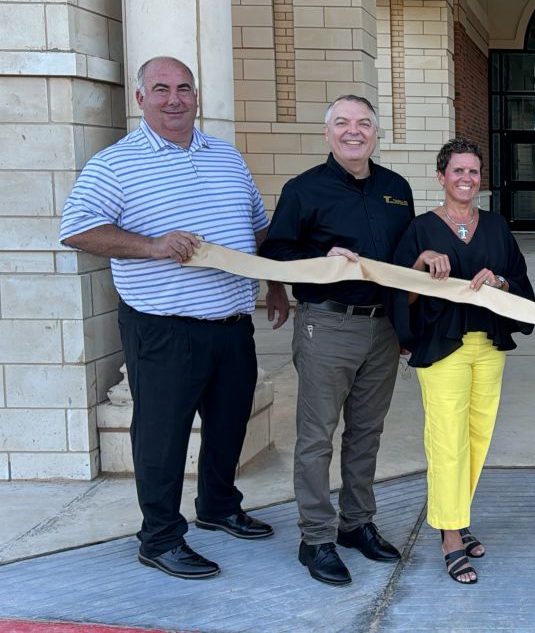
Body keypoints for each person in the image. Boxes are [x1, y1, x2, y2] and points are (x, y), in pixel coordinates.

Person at [58, 56, 288, 580]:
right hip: (163, 329)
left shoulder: (226, 157)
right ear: (140, 99)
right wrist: (152, 245)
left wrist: (274, 283)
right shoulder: (115, 163)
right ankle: (160, 538)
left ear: (196, 95)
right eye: (161, 89)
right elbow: (77, 229)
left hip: (231, 324)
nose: (174, 99)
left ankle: (219, 507)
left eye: (184, 88)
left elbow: (257, 229)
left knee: (229, 424)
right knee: (161, 437)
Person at [259, 95, 414, 586]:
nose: (354, 131)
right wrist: (321, 254)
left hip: (383, 327)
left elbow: (404, 260)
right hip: (327, 325)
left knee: (367, 433)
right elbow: (276, 251)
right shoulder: (304, 189)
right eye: (343, 123)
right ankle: (316, 538)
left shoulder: (396, 188)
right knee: (316, 439)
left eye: (364, 124)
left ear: (375, 133)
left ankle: (356, 524)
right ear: (328, 133)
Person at [394, 137, 535, 584]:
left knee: (477, 437)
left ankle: (457, 514)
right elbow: (401, 294)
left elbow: (522, 285)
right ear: (441, 177)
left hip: (487, 345)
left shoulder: (495, 226)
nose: (466, 178)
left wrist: (500, 282)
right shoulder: (420, 229)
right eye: (458, 171)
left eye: (473, 171)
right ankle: (451, 536)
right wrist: (420, 264)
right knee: (446, 438)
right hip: (442, 347)